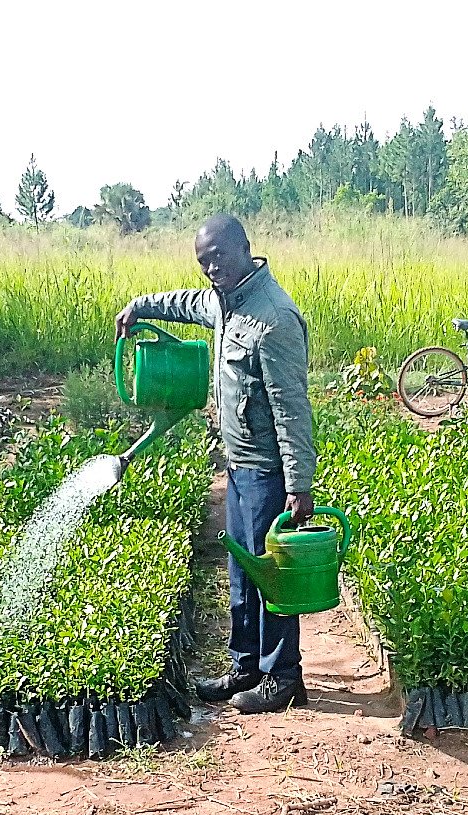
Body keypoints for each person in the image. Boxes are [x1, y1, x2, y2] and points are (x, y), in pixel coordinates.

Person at [114, 213, 316, 714]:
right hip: (238, 465)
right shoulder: (225, 303)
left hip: (269, 471)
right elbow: (182, 302)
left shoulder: (273, 317)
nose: (211, 269)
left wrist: (299, 482)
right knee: (241, 570)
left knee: (271, 573)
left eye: (219, 257)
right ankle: (246, 666)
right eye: (204, 262)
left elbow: (292, 407)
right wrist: (139, 306)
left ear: (246, 248)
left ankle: (282, 677)